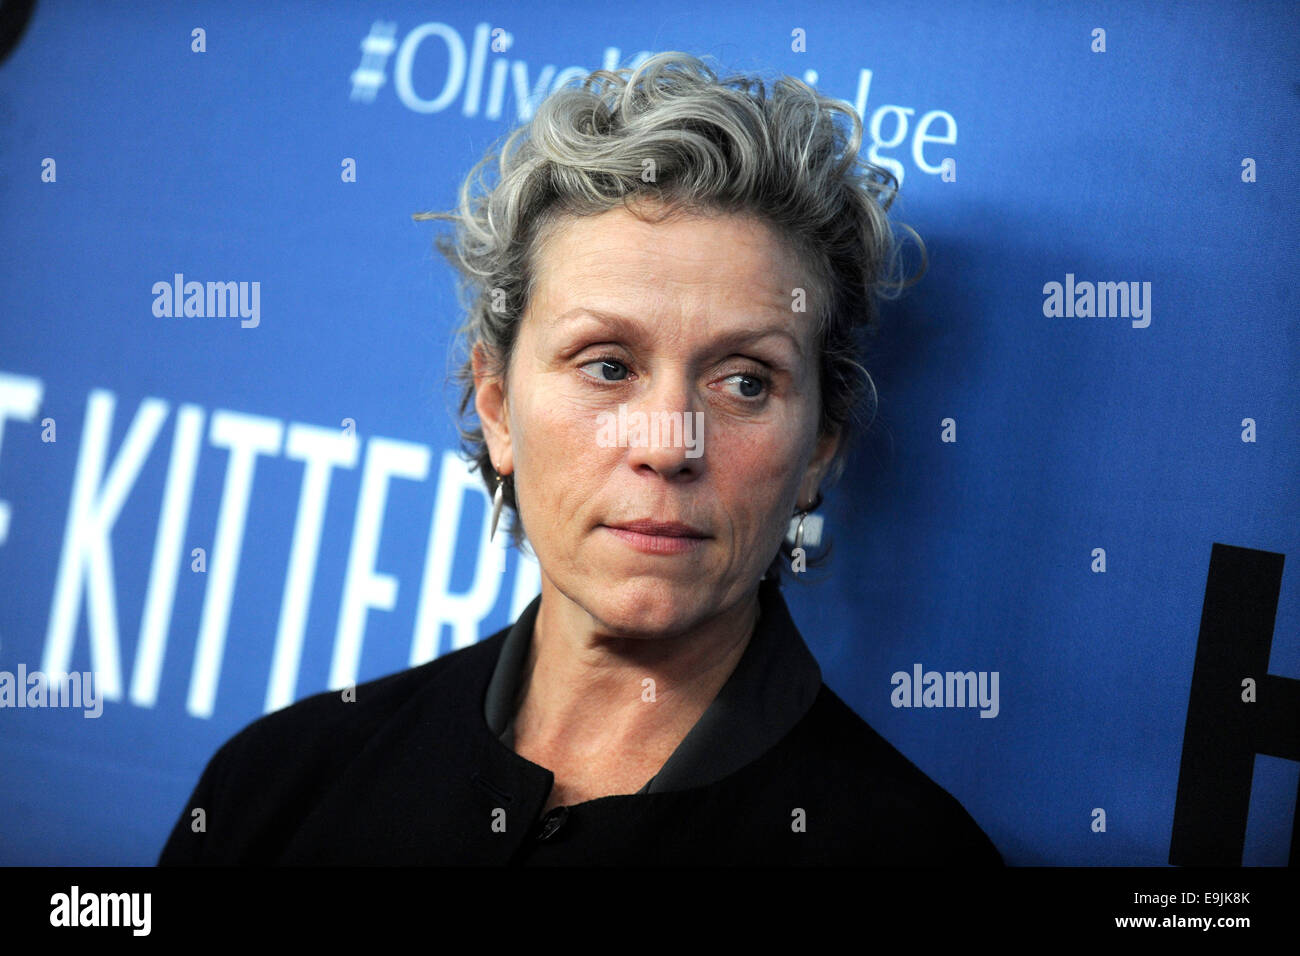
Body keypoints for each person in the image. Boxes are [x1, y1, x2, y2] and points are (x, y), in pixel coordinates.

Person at [159, 50, 1001, 865]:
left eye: (745, 381)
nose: (669, 445)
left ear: (820, 450)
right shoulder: (278, 785)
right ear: (495, 406)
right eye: (607, 365)